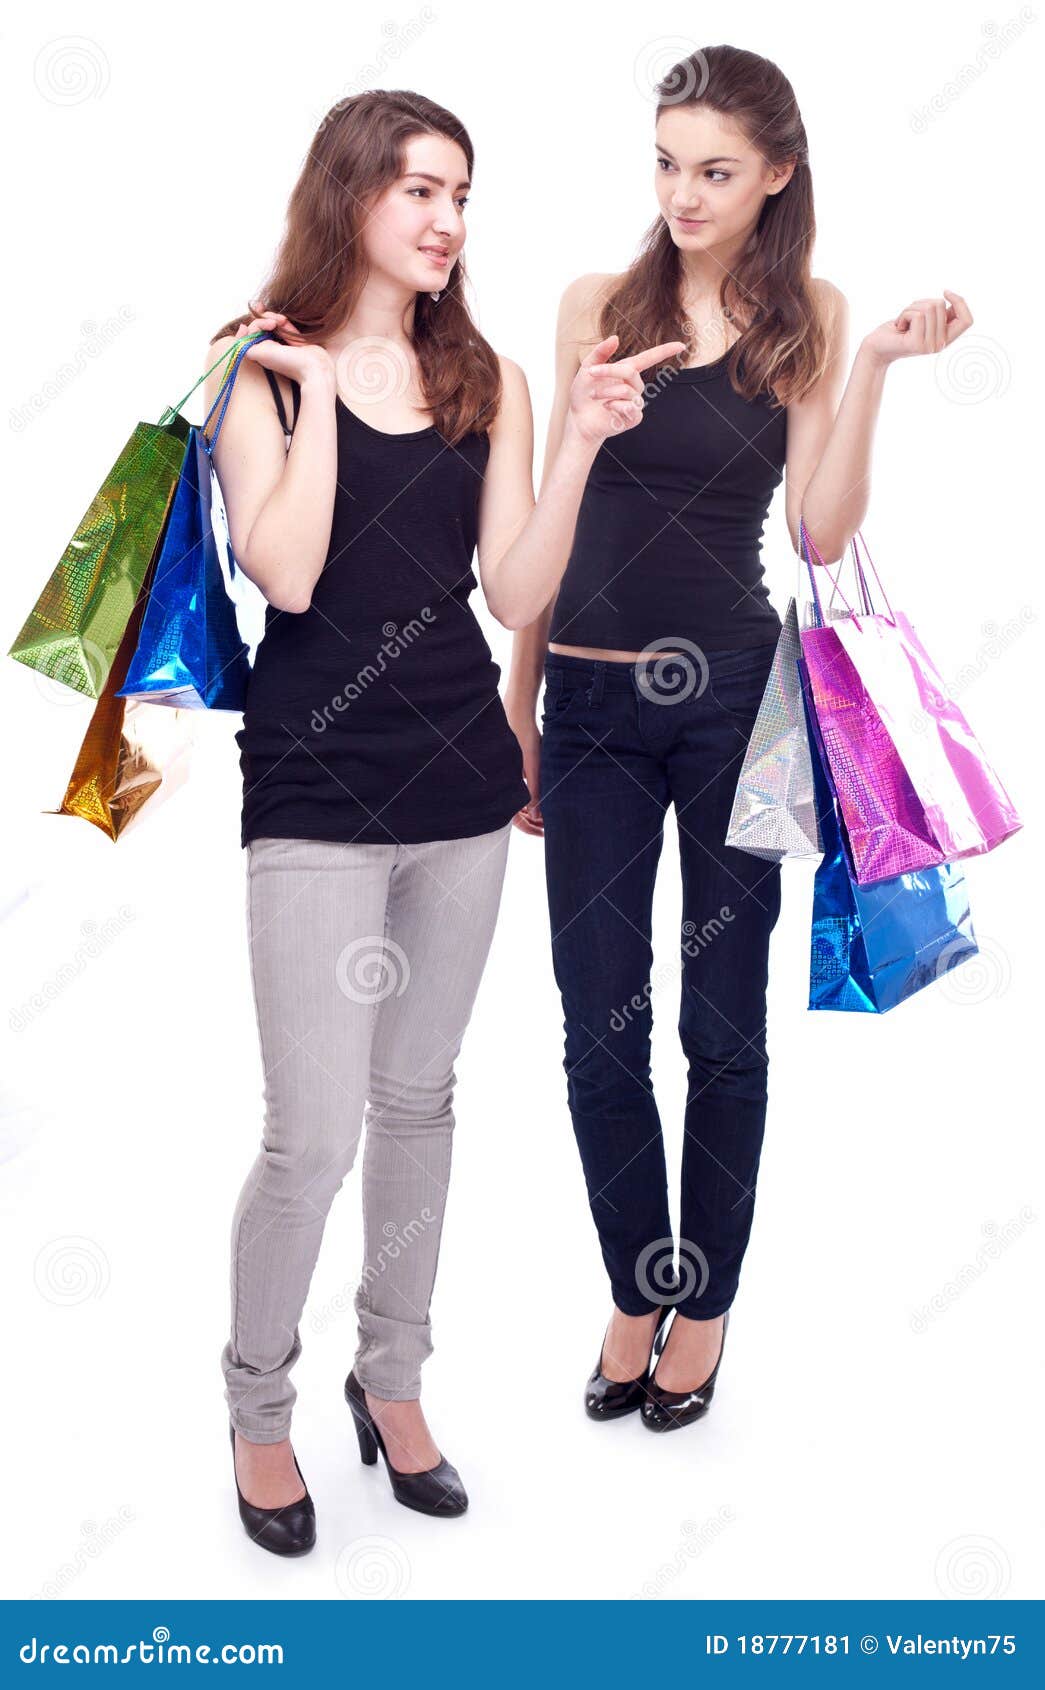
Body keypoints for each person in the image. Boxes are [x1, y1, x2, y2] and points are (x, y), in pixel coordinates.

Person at [205, 88, 681, 1552]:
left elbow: (517, 594)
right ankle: (259, 1406)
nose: (443, 220)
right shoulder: (255, 367)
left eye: (459, 194)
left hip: (463, 787)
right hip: (313, 790)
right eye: (416, 188)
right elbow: (284, 573)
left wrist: (587, 442)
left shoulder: (483, 379)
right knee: (309, 1137)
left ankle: (392, 1378)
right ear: (348, 192)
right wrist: (338, 383)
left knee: (420, 1104)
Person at [504, 43, 973, 1433]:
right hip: (586, 706)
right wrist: (513, 704)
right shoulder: (595, 303)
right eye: (664, 162)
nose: (683, 192)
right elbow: (550, 512)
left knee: (721, 1027)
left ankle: (699, 1304)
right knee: (598, 1026)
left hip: (738, 710)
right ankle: (631, 1284)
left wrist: (876, 362)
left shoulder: (807, 315)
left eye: (714, 169)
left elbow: (820, 531)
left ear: (775, 173)